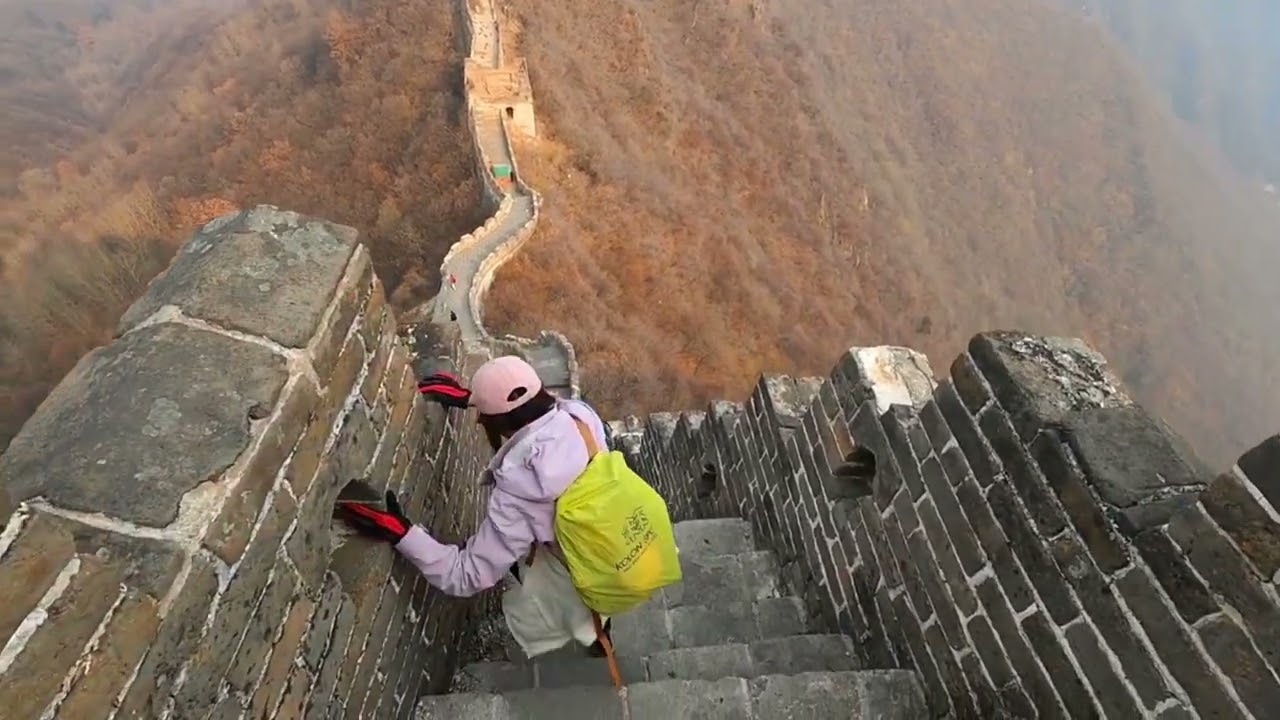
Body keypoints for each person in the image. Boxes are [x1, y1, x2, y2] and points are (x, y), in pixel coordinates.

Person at [336, 355, 614, 655]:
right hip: (615, 534)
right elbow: (526, 409)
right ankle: (603, 638)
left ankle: (597, 640)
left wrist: (402, 534)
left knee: (583, 610)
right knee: (604, 596)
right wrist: (479, 399)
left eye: (483, 417)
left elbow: (465, 575)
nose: (479, 421)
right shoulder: (581, 417)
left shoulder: (520, 496)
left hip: (579, 571)